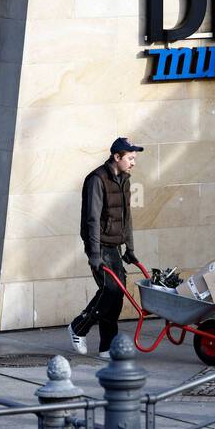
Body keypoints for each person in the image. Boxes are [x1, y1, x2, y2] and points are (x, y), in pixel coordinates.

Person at [68, 138, 143, 358]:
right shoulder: (97, 179)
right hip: (99, 244)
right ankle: (78, 327)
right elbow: (92, 219)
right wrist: (94, 254)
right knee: (109, 290)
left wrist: (129, 248)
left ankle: (107, 347)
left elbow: (127, 217)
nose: (133, 163)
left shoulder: (124, 180)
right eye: (130, 158)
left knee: (117, 295)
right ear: (117, 157)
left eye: (134, 159)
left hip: (115, 245)